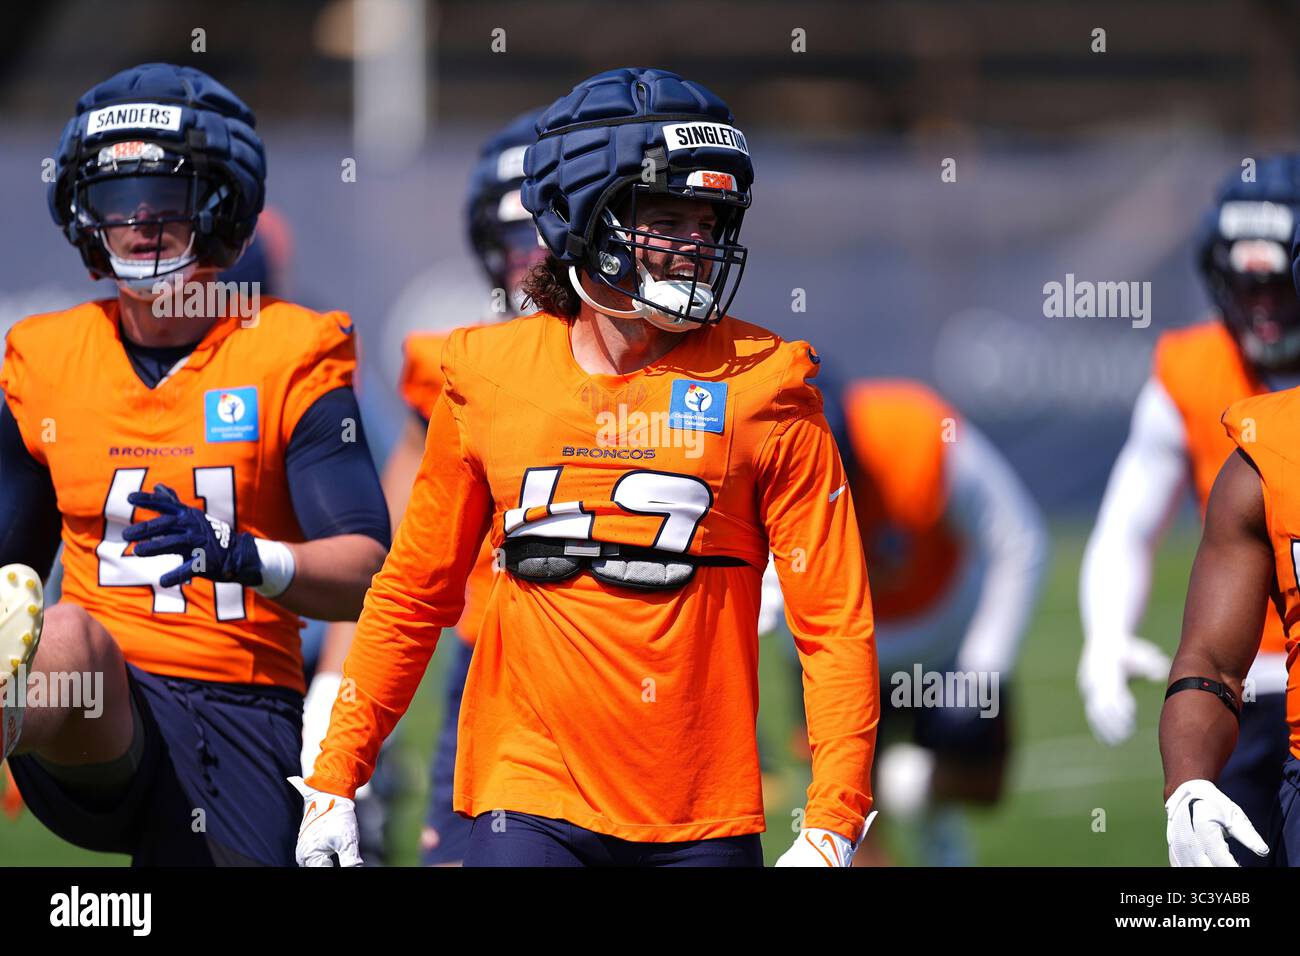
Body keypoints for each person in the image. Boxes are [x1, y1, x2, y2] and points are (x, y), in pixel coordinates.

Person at [292, 67, 879, 868]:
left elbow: (834, 622)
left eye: (709, 222)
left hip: (700, 812)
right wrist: (336, 773)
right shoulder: (487, 375)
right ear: (585, 217)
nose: (697, 246)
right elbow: (412, 592)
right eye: (667, 218)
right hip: (528, 794)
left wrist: (834, 819)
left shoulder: (767, 384)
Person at [0, 62, 389, 865]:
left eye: (165, 200)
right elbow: (9, 563)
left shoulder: (290, 350)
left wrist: (244, 557)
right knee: (69, 633)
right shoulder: (42, 358)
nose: (140, 223)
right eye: (116, 200)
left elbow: (366, 568)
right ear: (83, 214)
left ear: (219, 208)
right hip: (104, 710)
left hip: (243, 709)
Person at [304, 110, 548, 866]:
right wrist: (335, 698)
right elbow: (391, 561)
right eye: (516, 241)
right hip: (496, 677)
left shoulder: (675, 376)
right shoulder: (461, 373)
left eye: (550, 234)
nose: (533, 263)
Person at [1081, 155, 1300, 863]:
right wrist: (1106, 633)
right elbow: (1129, 519)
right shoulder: (1197, 374)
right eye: (1246, 285)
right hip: (1242, 678)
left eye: (1277, 285)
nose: (1263, 304)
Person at [760, 373, 1046, 865]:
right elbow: (757, 589)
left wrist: (983, 665)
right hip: (838, 652)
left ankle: (922, 797)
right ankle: (904, 800)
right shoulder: (762, 459)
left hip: (943, 635)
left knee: (983, 779)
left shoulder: (917, 433)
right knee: (846, 823)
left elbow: (1018, 539)